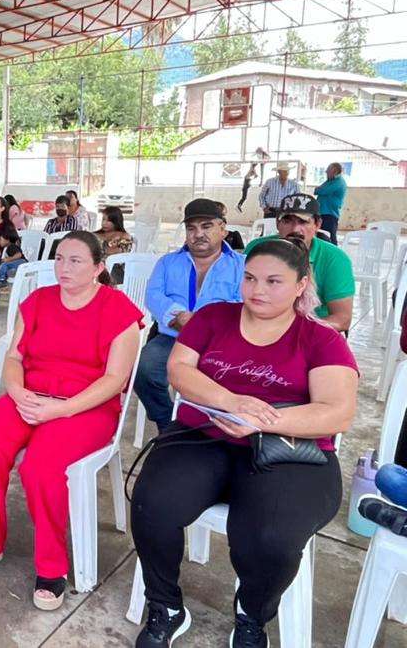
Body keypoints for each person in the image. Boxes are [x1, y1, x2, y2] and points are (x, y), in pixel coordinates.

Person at [130, 237, 357, 648]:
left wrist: (262, 423)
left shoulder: (320, 338)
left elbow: (337, 411)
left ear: (301, 284)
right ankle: (165, 606)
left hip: (287, 450)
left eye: (274, 281)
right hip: (204, 435)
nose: (257, 291)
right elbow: (179, 370)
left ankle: (252, 614)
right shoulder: (213, 318)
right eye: (250, 278)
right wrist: (230, 401)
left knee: (272, 537)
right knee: (152, 505)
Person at [0, 231, 141, 610]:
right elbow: (15, 357)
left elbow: (115, 380)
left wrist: (60, 410)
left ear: (99, 268)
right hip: (31, 395)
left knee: (40, 468)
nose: (63, 268)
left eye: (76, 261)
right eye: (59, 258)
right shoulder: (38, 301)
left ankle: (52, 564)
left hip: (86, 407)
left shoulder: (118, 310)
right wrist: (17, 394)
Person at [134, 198, 245, 433]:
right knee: (143, 369)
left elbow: (241, 304)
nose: (198, 234)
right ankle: (168, 424)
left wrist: (203, 323)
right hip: (173, 337)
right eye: (191, 228)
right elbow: (154, 295)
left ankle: (207, 428)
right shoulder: (168, 262)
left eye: (206, 226)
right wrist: (179, 316)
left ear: (223, 229)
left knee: (225, 381)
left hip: (220, 342)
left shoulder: (241, 266)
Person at [243, 193, 354, 332]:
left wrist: (290, 331)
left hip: (309, 334)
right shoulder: (257, 248)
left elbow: (342, 319)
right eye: (287, 221)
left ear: (317, 224)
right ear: (278, 223)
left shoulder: (335, 259)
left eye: (303, 222)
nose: (295, 229)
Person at [314, 162, 347, 246]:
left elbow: (321, 190)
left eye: (328, 170)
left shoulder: (339, 182)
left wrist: (320, 189)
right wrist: (319, 189)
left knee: (330, 238)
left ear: (334, 171)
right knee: (321, 236)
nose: (326, 172)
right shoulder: (330, 181)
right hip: (323, 212)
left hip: (330, 214)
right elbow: (316, 190)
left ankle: (334, 255)